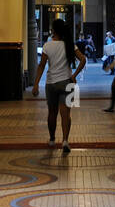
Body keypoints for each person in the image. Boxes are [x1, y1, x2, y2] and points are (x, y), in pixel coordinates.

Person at [31, 18, 86, 154]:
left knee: (52, 113)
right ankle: (65, 140)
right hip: (68, 83)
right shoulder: (69, 45)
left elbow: (41, 66)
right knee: (66, 114)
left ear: (53, 30)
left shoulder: (47, 45)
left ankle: (51, 139)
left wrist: (36, 84)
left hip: (51, 83)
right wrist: (74, 76)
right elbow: (83, 59)